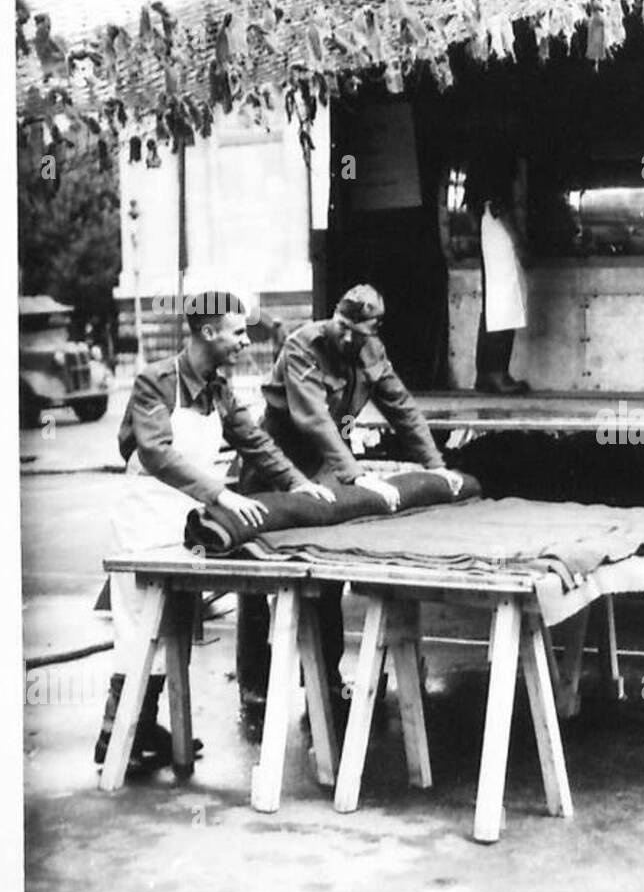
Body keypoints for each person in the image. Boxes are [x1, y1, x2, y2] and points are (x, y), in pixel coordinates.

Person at [96, 292, 334, 773]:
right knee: (140, 629)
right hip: (147, 515)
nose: (247, 340)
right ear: (209, 332)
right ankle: (115, 734)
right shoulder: (155, 382)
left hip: (190, 520)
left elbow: (256, 443)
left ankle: (144, 728)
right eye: (239, 332)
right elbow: (158, 454)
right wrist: (220, 497)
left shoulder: (220, 390)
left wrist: (299, 485)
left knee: (176, 627)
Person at [235, 284, 468, 708]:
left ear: (372, 331)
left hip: (327, 461)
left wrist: (436, 466)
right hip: (273, 460)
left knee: (324, 570)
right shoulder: (302, 345)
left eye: (358, 333)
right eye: (343, 328)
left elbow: (403, 408)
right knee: (254, 569)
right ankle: (255, 681)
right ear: (335, 319)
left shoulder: (371, 352)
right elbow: (313, 419)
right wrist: (356, 476)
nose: (348, 340)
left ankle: (324, 682)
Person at [466, 147, 530, 394]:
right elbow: (500, 205)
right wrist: (519, 241)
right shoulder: (501, 155)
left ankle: (486, 372)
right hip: (500, 229)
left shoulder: (481, 156)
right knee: (503, 301)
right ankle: (496, 373)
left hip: (489, 228)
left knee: (495, 303)